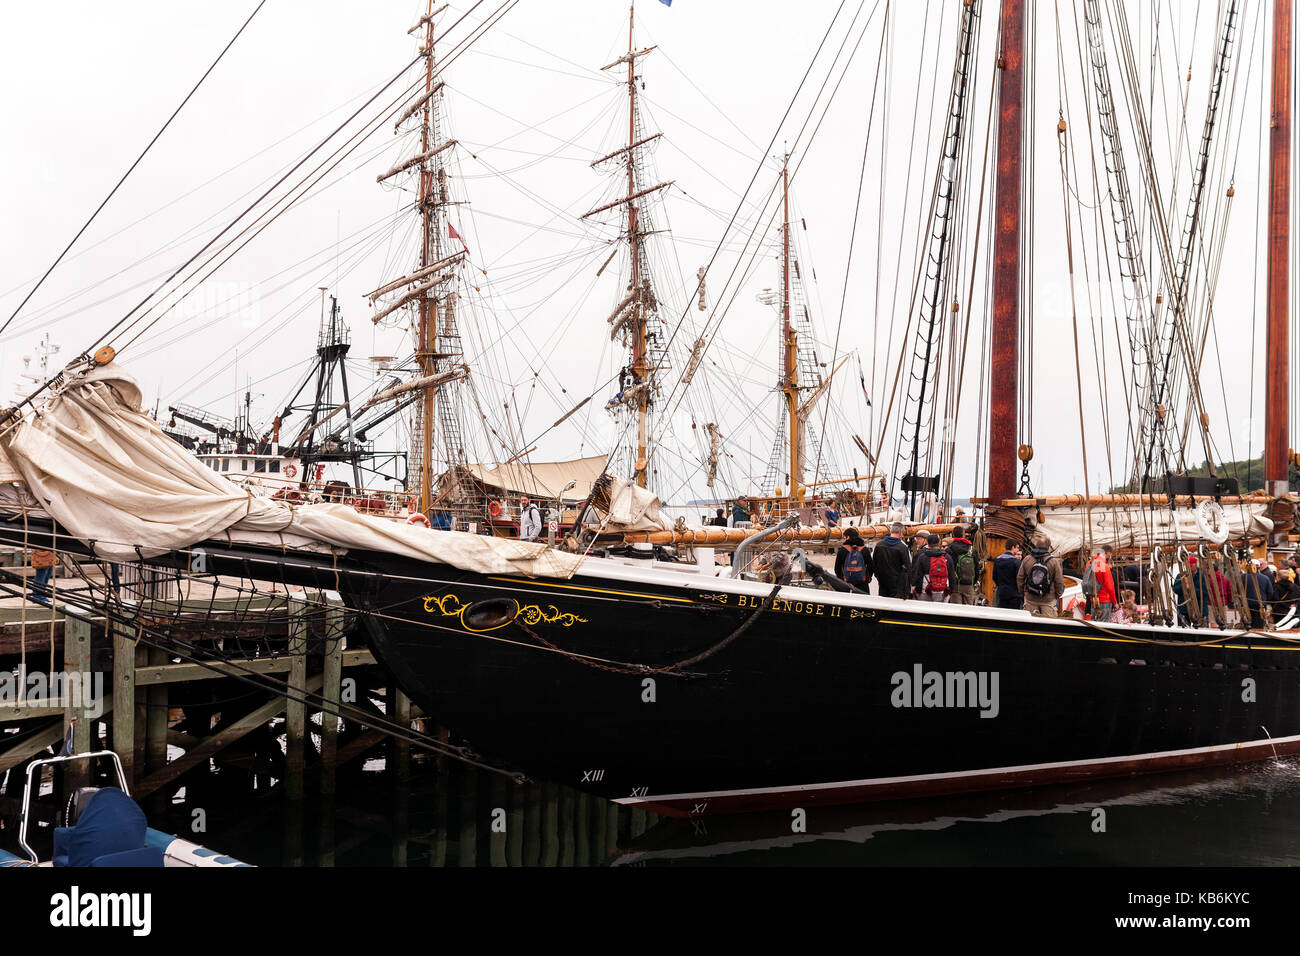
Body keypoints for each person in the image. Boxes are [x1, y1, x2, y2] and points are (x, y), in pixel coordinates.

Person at [1017, 534, 1065, 617]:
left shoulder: (1027, 559)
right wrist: (1056, 595)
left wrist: (1024, 593)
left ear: (1036, 545)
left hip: (1030, 598)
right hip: (1048, 600)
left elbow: (1020, 578)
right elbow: (1059, 581)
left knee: (1029, 623)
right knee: (1049, 625)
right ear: (1048, 547)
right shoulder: (1054, 562)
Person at [873, 522, 912, 599]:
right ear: (901, 533)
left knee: (883, 604)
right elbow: (908, 568)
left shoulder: (879, 545)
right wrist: (908, 587)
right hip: (897, 584)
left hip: (882, 581)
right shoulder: (902, 548)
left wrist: (878, 576)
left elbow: (874, 563)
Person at [911, 532, 953, 602]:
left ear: (927, 543)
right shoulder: (947, 557)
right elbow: (951, 575)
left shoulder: (923, 556)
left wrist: (918, 591)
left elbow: (918, 575)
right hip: (943, 590)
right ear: (939, 543)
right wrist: (950, 591)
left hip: (926, 590)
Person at [1172, 556, 1213, 627]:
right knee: (1183, 631)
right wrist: (1185, 586)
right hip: (1184, 611)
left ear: (1195, 565)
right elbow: (1175, 589)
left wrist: (1191, 588)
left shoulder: (1202, 577)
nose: (1189, 568)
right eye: (1187, 566)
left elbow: (1205, 592)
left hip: (1199, 611)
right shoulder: (1181, 576)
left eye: (1190, 566)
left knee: (1201, 631)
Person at [947, 528, 979, 605]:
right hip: (968, 584)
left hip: (955, 584)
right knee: (969, 611)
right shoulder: (972, 550)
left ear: (953, 535)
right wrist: (973, 581)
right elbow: (976, 568)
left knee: (956, 611)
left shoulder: (949, 549)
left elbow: (948, 568)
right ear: (963, 535)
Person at [1089, 545, 1118, 622]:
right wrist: (1115, 602)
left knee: (1093, 622)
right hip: (1104, 600)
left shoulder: (1089, 563)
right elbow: (1110, 586)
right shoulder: (1104, 566)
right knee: (1103, 624)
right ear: (1108, 553)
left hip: (1093, 598)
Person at [1242, 560, 1273, 629]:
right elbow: (1270, 593)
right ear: (1258, 568)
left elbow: (1237, 591)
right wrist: (1265, 601)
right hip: (1260, 606)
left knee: (1246, 626)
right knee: (1258, 627)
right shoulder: (1265, 578)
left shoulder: (1241, 577)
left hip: (1245, 605)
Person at [992, 542, 1023, 609]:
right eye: (1017, 547)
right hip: (1014, 594)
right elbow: (1020, 578)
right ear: (1012, 547)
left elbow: (994, 577)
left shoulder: (997, 560)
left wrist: (1001, 585)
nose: (1018, 550)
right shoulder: (1016, 562)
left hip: (1002, 592)